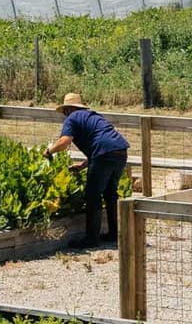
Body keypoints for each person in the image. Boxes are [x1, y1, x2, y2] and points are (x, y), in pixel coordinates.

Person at [46, 92, 130, 249]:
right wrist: (83, 166)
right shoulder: (94, 116)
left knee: (93, 195)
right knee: (110, 193)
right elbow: (102, 143)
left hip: (104, 154)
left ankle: (91, 239)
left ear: (68, 109)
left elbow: (65, 141)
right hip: (120, 151)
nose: (64, 115)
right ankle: (115, 234)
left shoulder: (72, 118)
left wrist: (49, 151)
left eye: (65, 111)